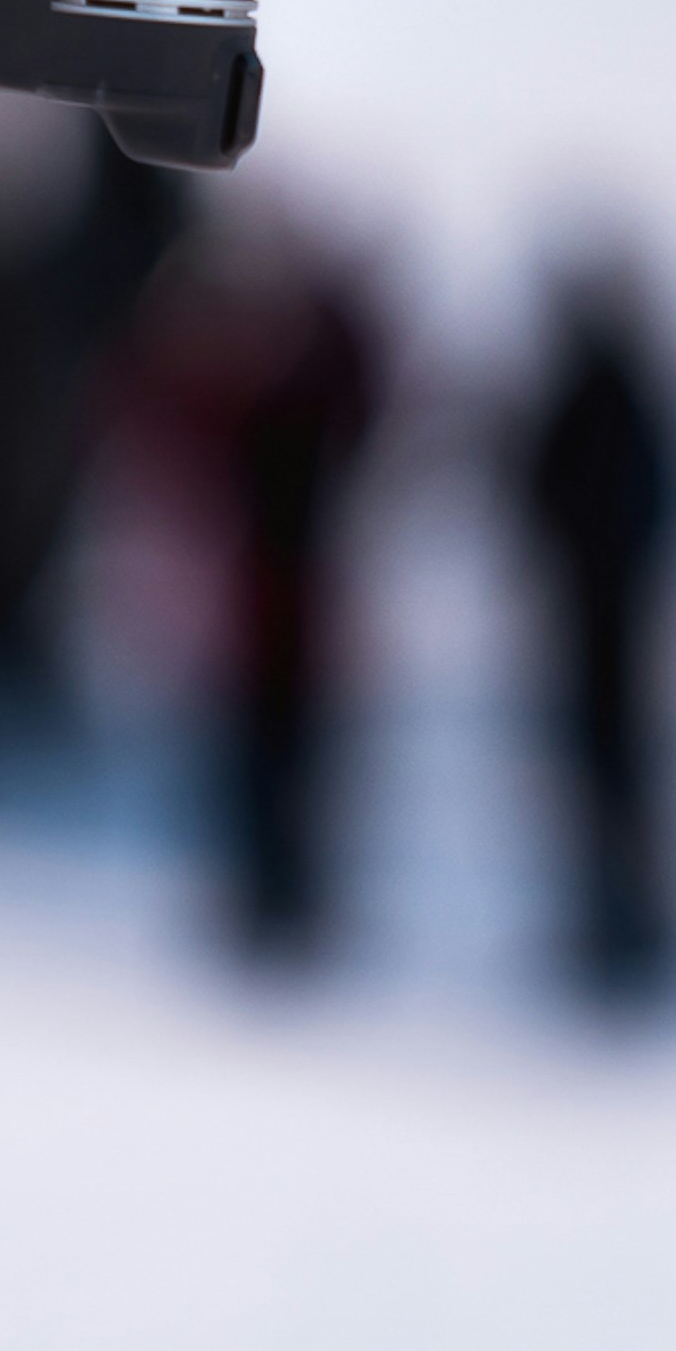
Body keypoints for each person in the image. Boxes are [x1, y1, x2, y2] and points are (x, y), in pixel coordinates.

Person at [101, 199, 387, 973]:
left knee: (293, 767)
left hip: (289, 620)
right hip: (241, 620)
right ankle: (261, 903)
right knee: (244, 769)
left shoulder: (305, 392)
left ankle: (290, 904)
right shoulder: (233, 385)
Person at [507, 236, 676, 1010]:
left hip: (615, 613)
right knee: (596, 776)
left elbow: (659, 495)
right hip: (588, 611)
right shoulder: (604, 383)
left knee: (620, 775)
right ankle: (611, 925)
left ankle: (636, 932)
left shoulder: (618, 385)